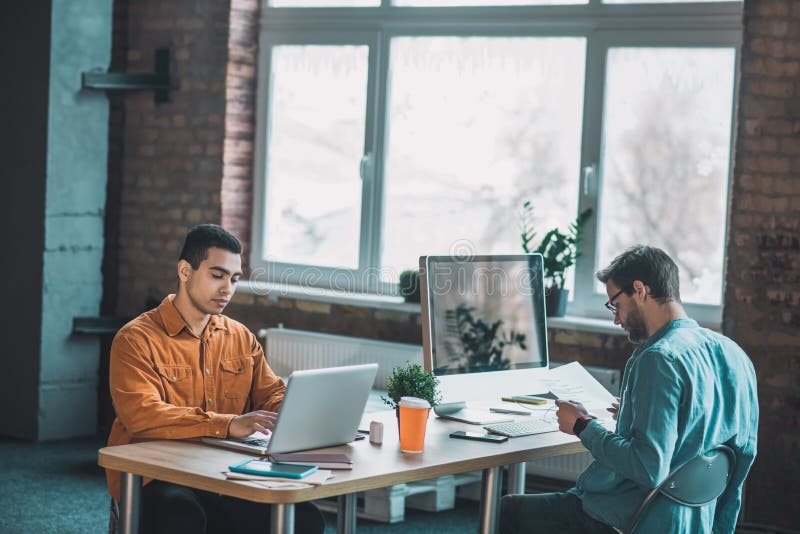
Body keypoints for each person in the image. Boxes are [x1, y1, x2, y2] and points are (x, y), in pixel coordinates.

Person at [500, 245, 758, 534]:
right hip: (697, 521)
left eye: (615, 304)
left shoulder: (659, 358)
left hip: (633, 519)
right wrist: (636, 412)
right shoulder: (733, 354)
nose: (616, 319)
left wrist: (582, 426)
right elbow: (739, 453)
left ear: (639, 290)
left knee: (507, 511)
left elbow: (649, 468)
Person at [105, 224, 325, 534]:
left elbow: (272, 393)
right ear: (185, 271)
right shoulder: (135, 339)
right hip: (160, 475)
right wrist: (228, 423)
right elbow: (141, 415)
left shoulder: (240, 337)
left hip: (223, 472)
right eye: (217, 276)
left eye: (235, 279)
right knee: (180, 515)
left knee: (305, 518)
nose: (227, 290)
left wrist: (293, 411)